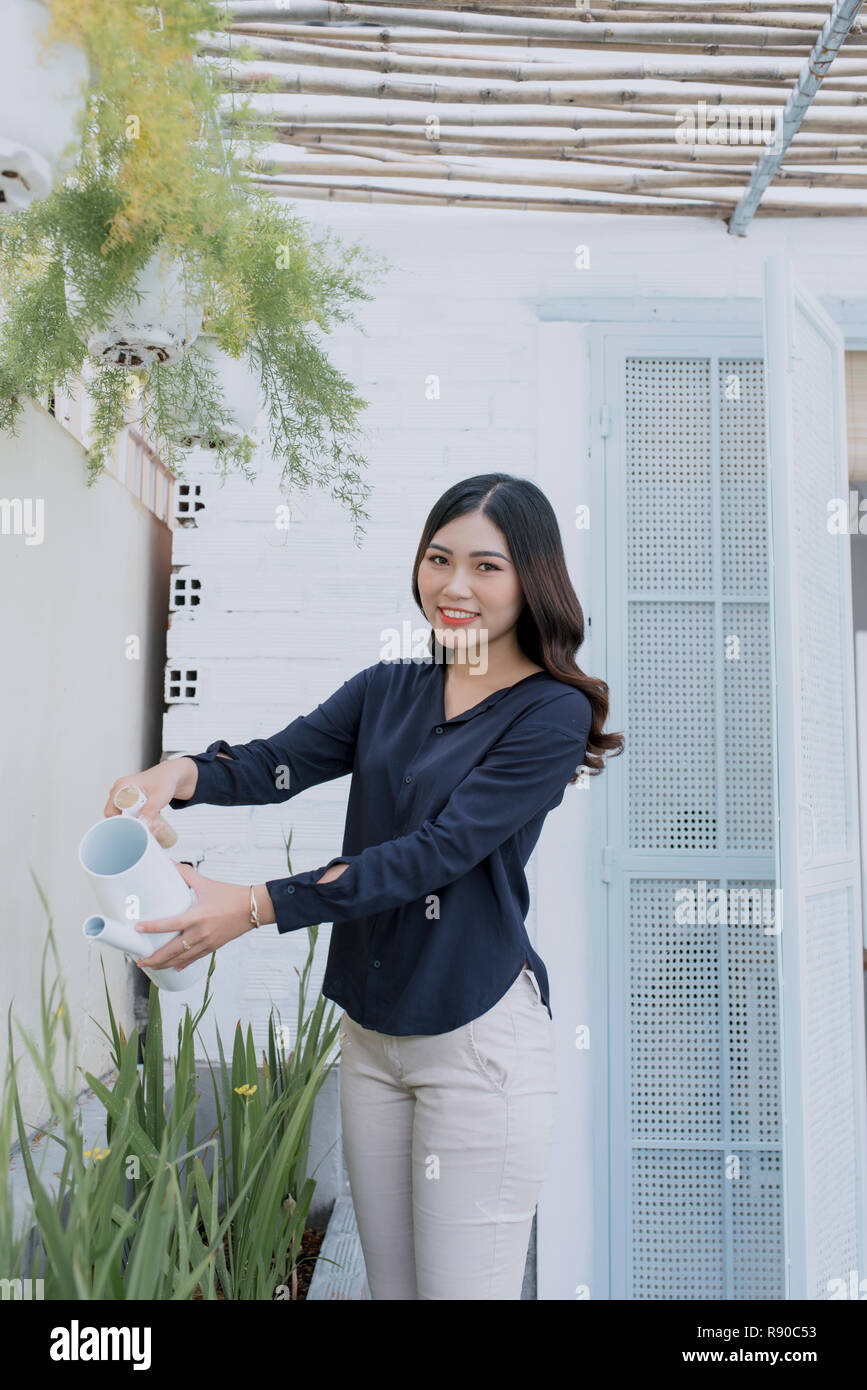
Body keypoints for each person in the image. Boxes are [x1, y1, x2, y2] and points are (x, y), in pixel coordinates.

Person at [105, 472, 623, 1299]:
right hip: (373, 1037)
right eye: (438, 558)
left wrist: (250, 904)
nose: (454, 587)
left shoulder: (548, 715)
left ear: (533, 580)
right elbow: (279, 762)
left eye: (486, 567)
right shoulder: (390, 688)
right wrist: (179, 774)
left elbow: (432, 853)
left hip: (476, 1044)